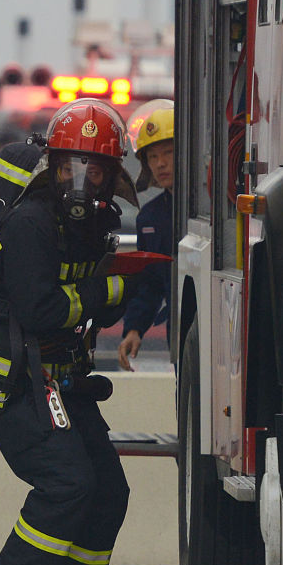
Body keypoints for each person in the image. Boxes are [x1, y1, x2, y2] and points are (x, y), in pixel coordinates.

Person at [0, 98, 137, 565]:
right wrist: (104, 291)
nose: (81, 180)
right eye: (70, 166)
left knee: (109, 489)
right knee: (67, 482)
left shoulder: (102, 223)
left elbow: (102, 306)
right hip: (18, 376)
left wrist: (118, 291)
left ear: (112, 175)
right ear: (53, 167)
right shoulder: (28, 223)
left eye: (95, 168)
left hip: (63, 375)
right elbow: (40, 309)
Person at [117, 102, 174, 372]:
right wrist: (134, 328)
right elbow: (149, 283)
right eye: (152, 157)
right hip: (181, 329)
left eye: (169, 153)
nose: (160, 163)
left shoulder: (216, 210)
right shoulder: (149, 218)